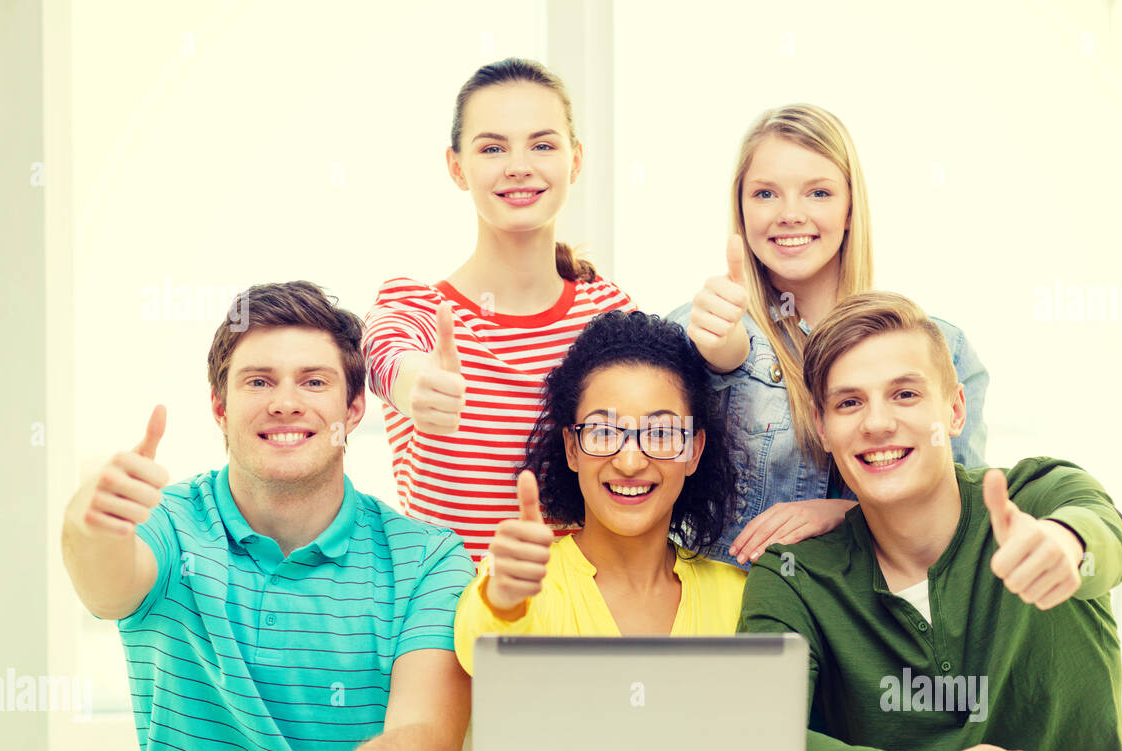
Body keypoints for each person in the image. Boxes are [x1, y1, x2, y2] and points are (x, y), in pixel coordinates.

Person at [60, 281, 475, 751]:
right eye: (258, 381)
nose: (285, 401)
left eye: (313, 381)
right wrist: (91, 522)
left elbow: (425, 748)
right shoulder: (170, 524)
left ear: (353, 410)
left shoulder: (429, 558)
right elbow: (105, 586)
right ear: (219, 408)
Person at [738, 292, 1122, 751]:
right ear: (822, 425)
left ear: (954, 410)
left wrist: (1065, 545)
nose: (876, 423)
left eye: (904, 394)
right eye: (849, 403)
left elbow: (1101, 533)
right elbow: (756, 740)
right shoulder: (792, 575)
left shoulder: (1037, 495)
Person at [667, 104, 990, 568]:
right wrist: (717, 363)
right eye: (765, 194)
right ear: (740, 209)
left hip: (877, 630)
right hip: (737, 629)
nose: (790, 214)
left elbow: (960, 522)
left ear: (849, 209)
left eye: (818, 192)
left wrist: (847, 515)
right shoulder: (699, 328)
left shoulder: (944, 348)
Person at [363, 58, 635, 563]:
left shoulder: (610, 313)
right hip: (443, 621)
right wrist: (415, 383)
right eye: (492, 148)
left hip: (572, 623)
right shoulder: (419, 306)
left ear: (574, 160)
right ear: (457, 167)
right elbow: (384, 350)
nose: (518, 166)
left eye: (542, 144)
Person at [453, 310, 745, 672]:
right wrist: (504, 599)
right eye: (604, 431)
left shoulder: (739, 596)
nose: (630, 462)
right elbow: (480, 648)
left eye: (661, 432)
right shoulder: (521, 583)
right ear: (572, 449)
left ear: (694, 451)